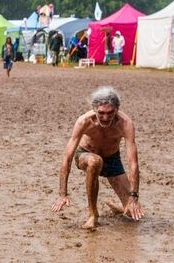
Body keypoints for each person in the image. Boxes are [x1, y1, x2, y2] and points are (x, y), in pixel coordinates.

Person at [51, 86, 143, 230]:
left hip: (112, 159)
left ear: (117, 109)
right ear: (94, 108)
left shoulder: (125, 124)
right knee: (95, 161)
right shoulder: (84, 121)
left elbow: (133, 164)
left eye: (110, 113)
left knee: (132, 213)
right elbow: (67, 157)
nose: (105, 118)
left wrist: (133, 197)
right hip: (86, 155)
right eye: (101, 113)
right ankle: (93, 215)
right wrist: (63, 194)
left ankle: (120, 206)